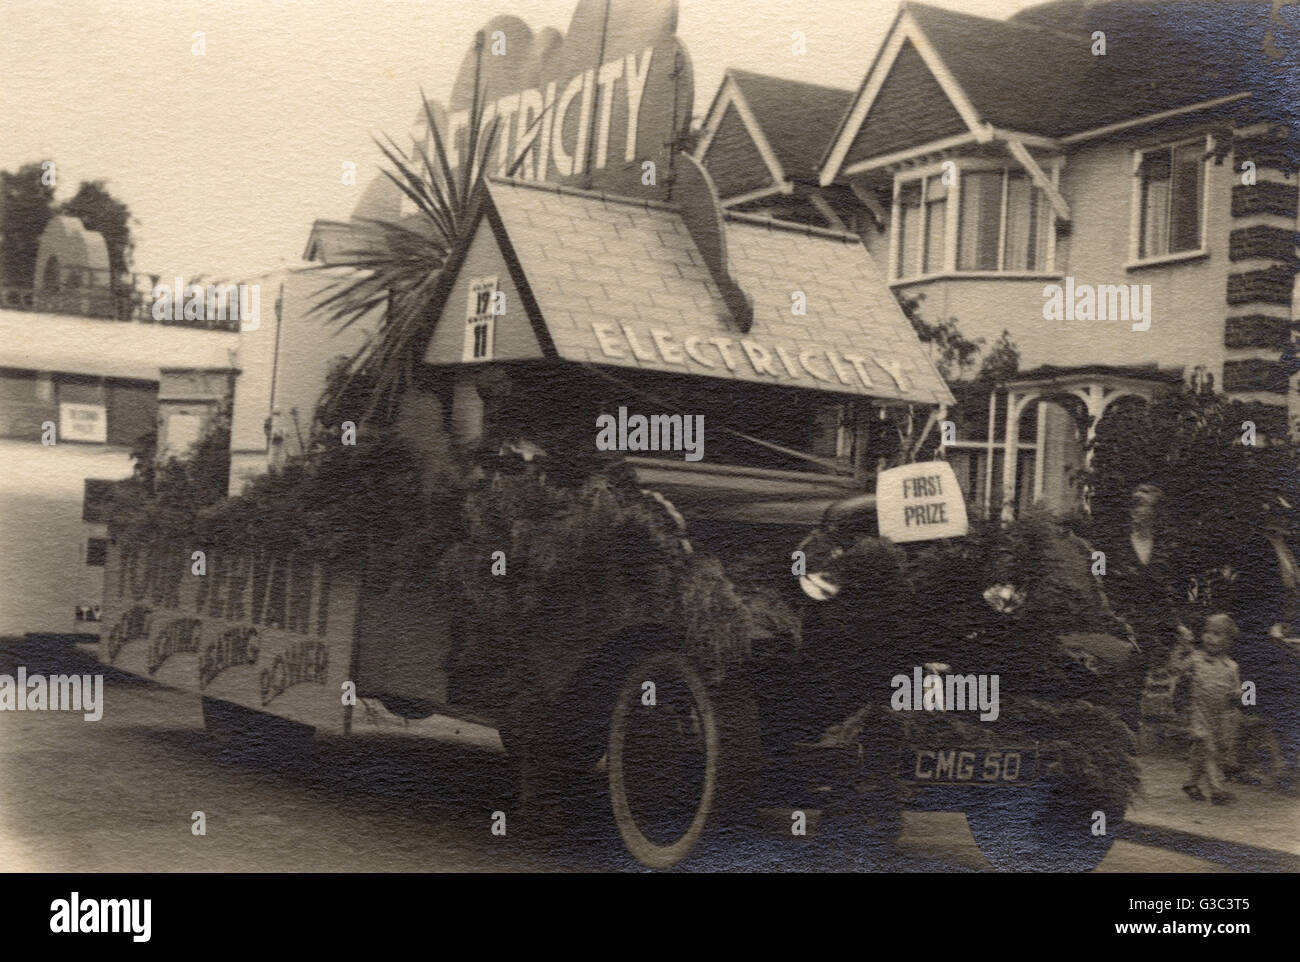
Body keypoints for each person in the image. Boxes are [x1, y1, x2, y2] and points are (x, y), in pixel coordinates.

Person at [1182, 613, 1243, 804]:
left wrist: (1238, 695)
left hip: (1221, 716)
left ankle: (1191, 783)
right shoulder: (1195, 659)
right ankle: (1217, 790)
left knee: (1210, 750)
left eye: (1217, 634)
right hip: (1199, 712)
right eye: (1207, 632)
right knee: (1209, 749)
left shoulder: (1231, 666)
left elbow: (1237, 690)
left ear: (1228, 641)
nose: (1209, 637)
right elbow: (1179, 672)